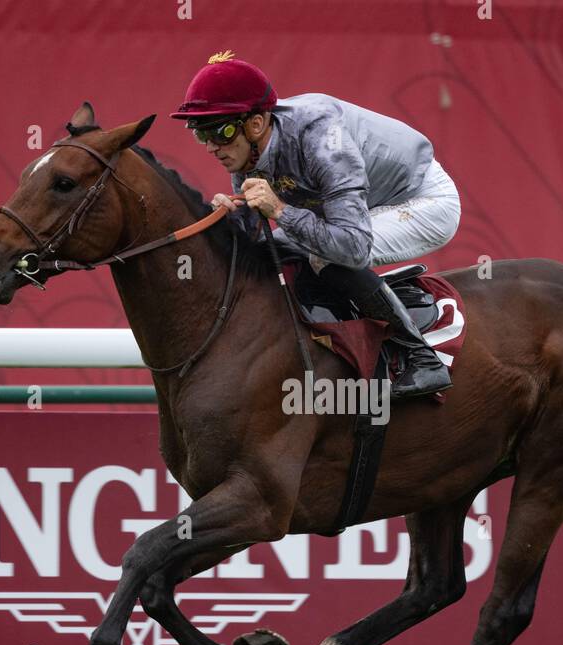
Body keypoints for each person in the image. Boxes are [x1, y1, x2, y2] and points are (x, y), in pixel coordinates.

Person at [169, 50, 460, 398]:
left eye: (220, 132)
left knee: (327, 256)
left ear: (256, 124)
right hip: (358, 208)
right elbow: (254, 241)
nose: (212, 147)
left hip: (422, 201)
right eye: (201, 135)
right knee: (277, 248)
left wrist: (279, 210)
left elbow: (352, 248)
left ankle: (421, 356)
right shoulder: (250, 151)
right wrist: (232, 221)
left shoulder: (322, 138)